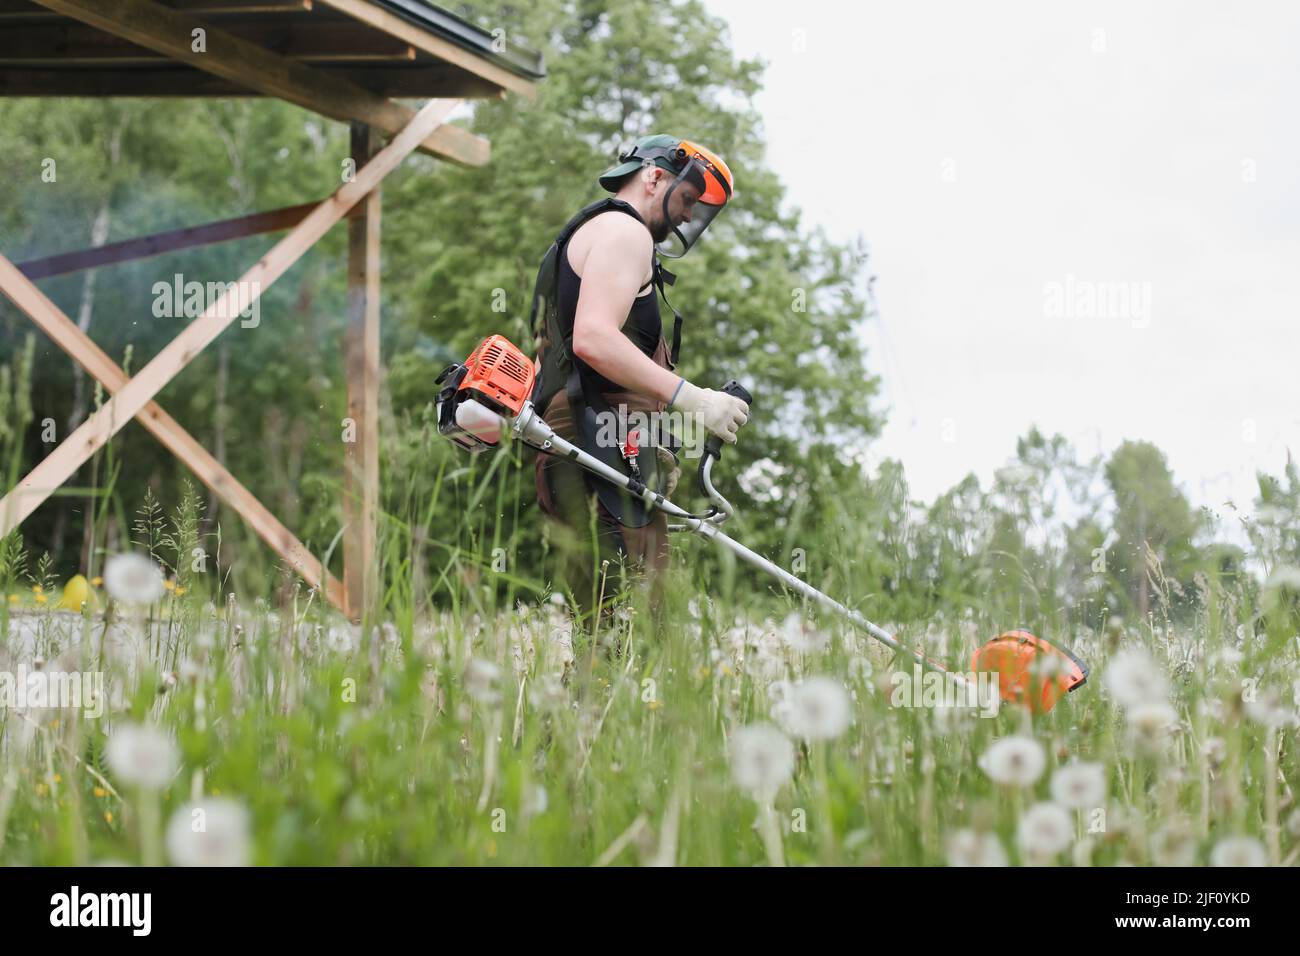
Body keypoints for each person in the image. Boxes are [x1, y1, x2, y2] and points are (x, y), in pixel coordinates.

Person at [529, 134, 749, 633]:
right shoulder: (625, 234)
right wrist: (694, 400)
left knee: (606, 629)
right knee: (638, 633)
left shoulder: (589, 234)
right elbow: (592, 338)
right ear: (654, 176)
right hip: (598, 451)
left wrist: (657, 446)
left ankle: (583, 712)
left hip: (597, 446)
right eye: (690, 199)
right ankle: (596, 707)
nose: (690, 216)